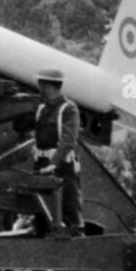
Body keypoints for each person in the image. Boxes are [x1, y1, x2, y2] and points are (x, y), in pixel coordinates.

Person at [30, 67, 82, 234]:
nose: (39, 87)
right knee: (42, 212)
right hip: (41, 165)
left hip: (61, 167)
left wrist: (53, 164)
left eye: (41, 84)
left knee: (68, 208)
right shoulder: (42, 109)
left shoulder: (68, 109)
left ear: (49, 86)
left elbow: (68, 141)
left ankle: (74, 237)